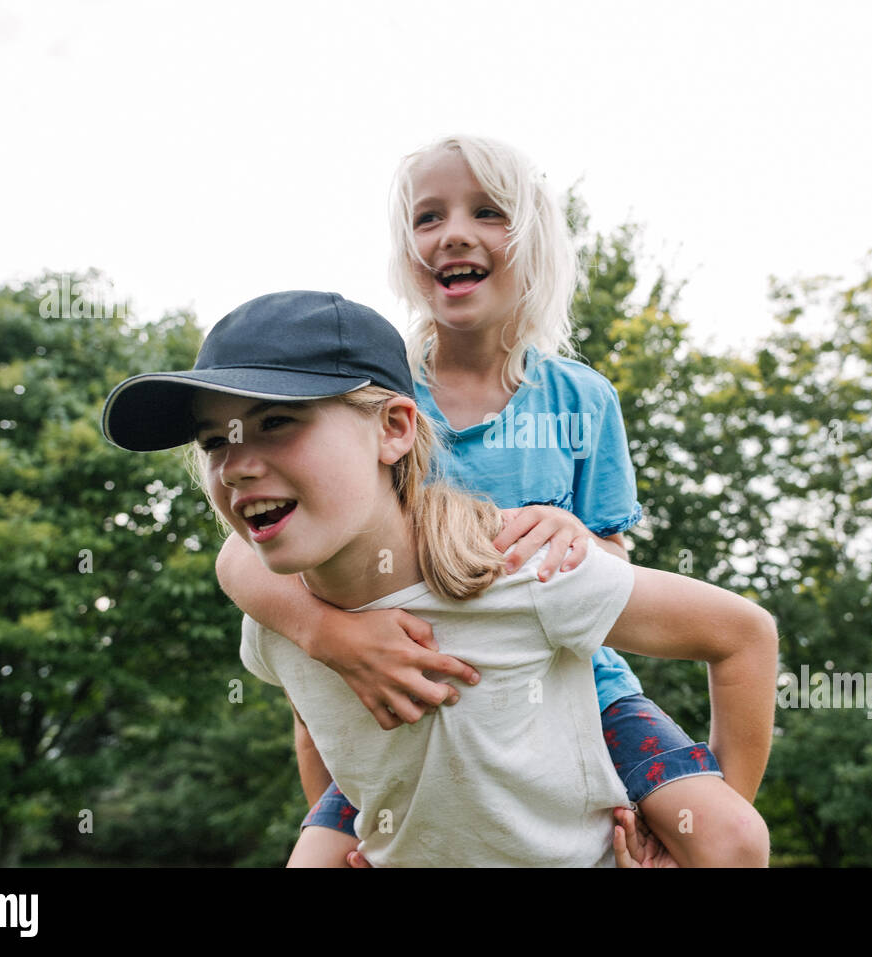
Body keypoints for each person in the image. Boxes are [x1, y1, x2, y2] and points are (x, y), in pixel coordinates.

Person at [216, 134, 775, 866]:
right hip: (399, 686)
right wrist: (330, 636)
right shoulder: (374, 398)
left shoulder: (581, 398)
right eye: (427, 217)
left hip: (573, 693)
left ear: (536, 242)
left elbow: (609, 560)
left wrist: (573, 532)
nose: (453, 232)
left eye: (488, 212)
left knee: (730, 836)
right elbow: (241, 555)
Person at [100, 290, 776, 867]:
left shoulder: (523, 567)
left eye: (277, 422)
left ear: (393, 427)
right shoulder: (274, 625)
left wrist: (679, 839)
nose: (238, 464)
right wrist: (366, 825)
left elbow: (744, 633)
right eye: (215, 440)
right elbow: (319, 731)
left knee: (732, 838)